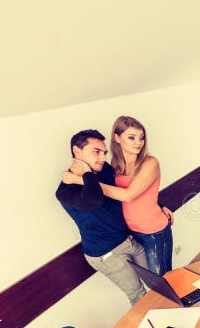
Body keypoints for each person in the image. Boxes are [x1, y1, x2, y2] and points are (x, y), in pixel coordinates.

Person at [63, 117, 174, 276]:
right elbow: (124, 197)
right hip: (130, 233)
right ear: (117, 138)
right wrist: (161, 204)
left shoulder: (150, 163)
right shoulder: (113, 166)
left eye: (141, 137)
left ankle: (177, 302)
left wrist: (81, 180)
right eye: (131, 137)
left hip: (153, 232)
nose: (138, 142)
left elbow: (128, 195)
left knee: (162, 279)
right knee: (152, 282)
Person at [56, 129, 147, 304]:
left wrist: (160, 207)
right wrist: (87, 174)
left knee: (161, 280)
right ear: (77, 151)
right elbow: (93, 200)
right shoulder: (65, 191)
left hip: (129, 239)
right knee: (138, 295)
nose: (102, 158)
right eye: (96, 152)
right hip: (106, 254)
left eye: (104, 153)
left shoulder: (103, 169)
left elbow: (125, 192)